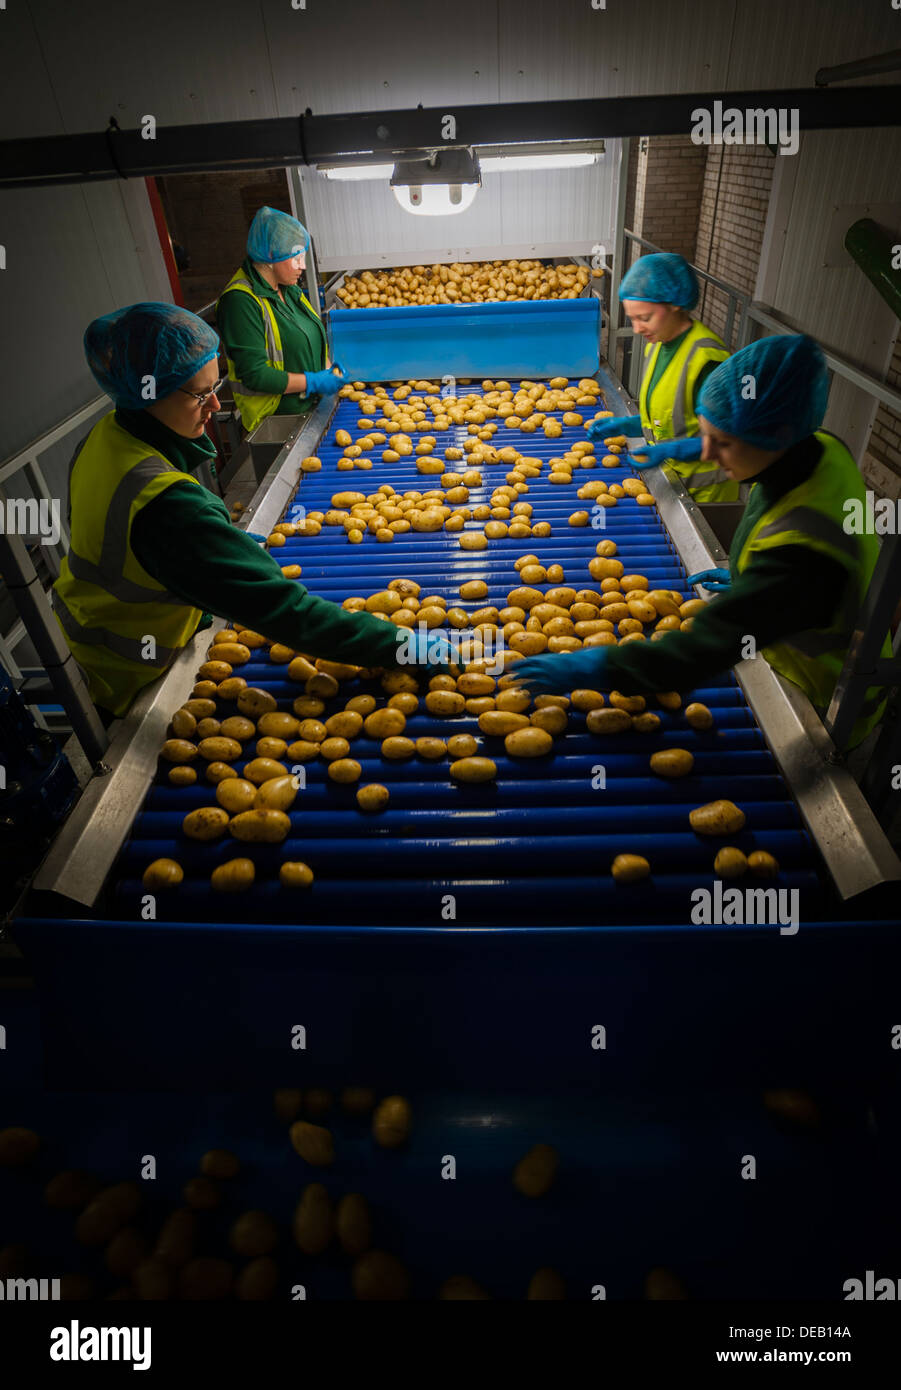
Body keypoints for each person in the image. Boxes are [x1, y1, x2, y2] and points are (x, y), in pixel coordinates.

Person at [52, 303, 446, 721]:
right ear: (149, 393)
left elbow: (124, 550)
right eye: (201, 396)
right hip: (127, 677)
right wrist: (400, 645)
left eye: (215, 386)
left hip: (85, 636)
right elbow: (286, 612)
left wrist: (195, 568)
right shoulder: (167, 505)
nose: (217, 407)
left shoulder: (104, 437)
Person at [512, 334, 890, 749]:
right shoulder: (818, 449)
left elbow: (699, 651)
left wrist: (597, 666)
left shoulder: (802, 558)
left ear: (775, 437)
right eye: (707, 437)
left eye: (721, 444)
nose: (708, 454)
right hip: (785, 634)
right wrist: (748, 578)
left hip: (819, 704)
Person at [588, 252, 737, 502]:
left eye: (644, 318)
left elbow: (731, 441)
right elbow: (668, 421)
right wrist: (627, 425)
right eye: (632, 319)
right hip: (671, 483)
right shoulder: (657, 344)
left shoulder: (707, 361)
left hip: (704, 498)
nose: (636, 329)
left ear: (674, 304)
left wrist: (673, 450)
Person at [217, 206, 348, 433]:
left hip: (312, 410)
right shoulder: (240, 301)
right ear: (270, 256)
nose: (303, 266)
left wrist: (327, 370)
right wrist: (313, 381)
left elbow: (309, 336)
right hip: (278, 423)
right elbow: (255, 374)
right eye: (295, 258)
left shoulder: (289, 288)